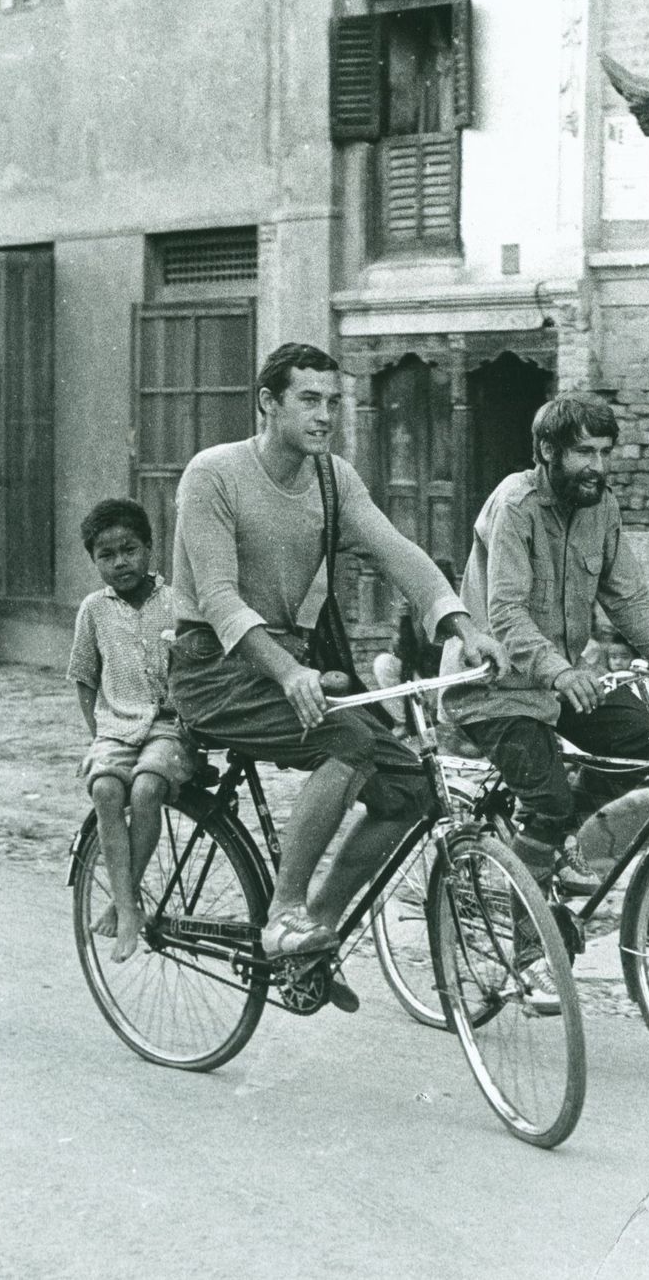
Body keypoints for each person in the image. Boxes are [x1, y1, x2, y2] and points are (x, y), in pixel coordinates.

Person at [169, 342, 505, 986]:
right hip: (212, 668)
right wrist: (288, 671)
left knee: (408, 788)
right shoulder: (213, 474)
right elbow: (216, 597)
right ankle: (283, 911)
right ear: (269, 404)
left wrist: (464, 626)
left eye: (333, 402)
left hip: (288, 664)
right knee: (348, 740)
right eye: (309, 400)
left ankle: (315, 932)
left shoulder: (333, 478)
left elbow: (398, 552)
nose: (326, 416)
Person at [443, 392, 649, 893]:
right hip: (494, 688)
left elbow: (629, 600)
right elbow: (506, 612)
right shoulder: (514, 505)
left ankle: (554, 837)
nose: (598, 467)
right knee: (549, 800)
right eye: (585, 452)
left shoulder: (600, 507)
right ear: (546, 450)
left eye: (604, 453)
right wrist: (560, 672)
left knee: (641, 739)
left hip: (556, 683)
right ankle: (520, 927)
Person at [67, 499, 193, 964]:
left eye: (130, 549)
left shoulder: (177, 602)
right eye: (106, 555)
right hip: (115, 729)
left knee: (146, 789)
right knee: (103, 788)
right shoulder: (93, 610)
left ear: (149, 548)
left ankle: (125, 899)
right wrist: (97, 736)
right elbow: (84, 677)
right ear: (95, 561)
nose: (120, 562)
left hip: (168, 726)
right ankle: (126, 908)